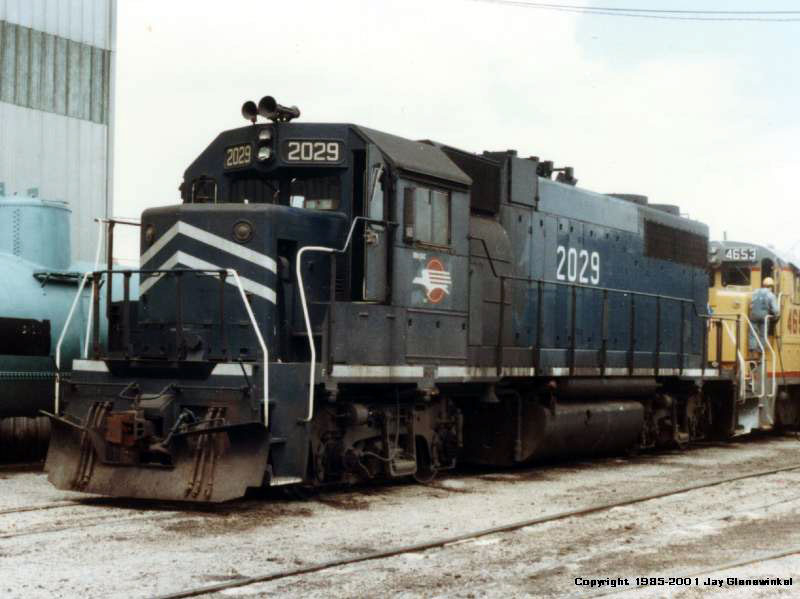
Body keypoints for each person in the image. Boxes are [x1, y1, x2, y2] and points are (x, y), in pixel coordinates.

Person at [749, 277, 780, 354]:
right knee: (763, 334)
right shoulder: (771, 295)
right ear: (771, 286)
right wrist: (776, 316)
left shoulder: (755, 292)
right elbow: (776, 310)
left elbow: (751, 304)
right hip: (764, 317)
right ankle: (760, 350)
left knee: (753, 332)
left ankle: (752, 348)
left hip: (753, 315)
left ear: (763, 285)